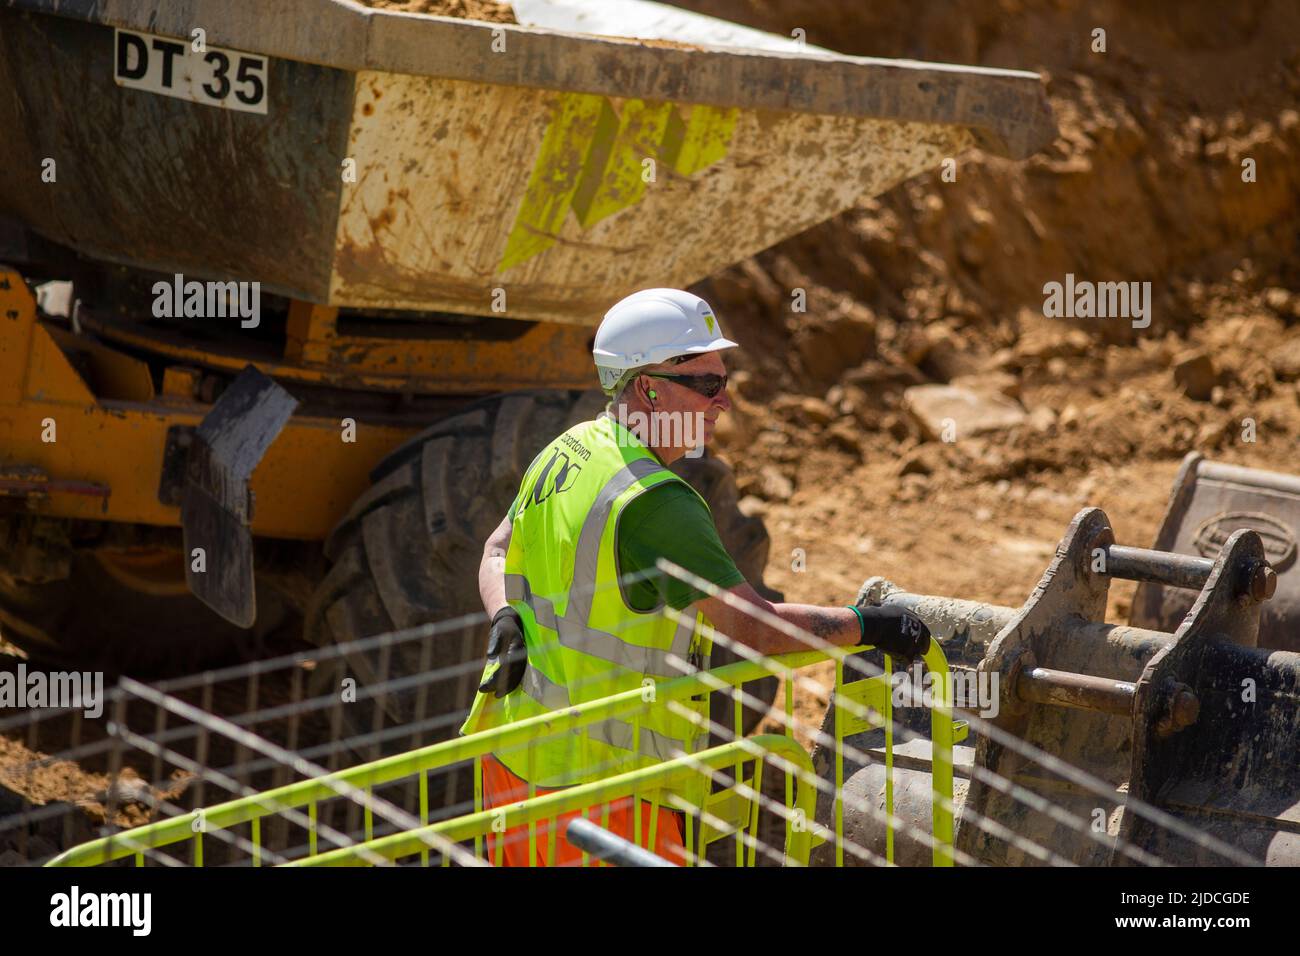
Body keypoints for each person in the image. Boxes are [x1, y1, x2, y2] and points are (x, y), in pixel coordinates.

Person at [460, 287, 930, 866]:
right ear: (648, 387)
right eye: (707, 384)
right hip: (606, 795)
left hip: (512, 765)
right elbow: (753, 631)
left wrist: (502, 614)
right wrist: (870, 626)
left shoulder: (568, 449)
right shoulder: (658, 503)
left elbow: (496, 549)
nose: (723, 403)